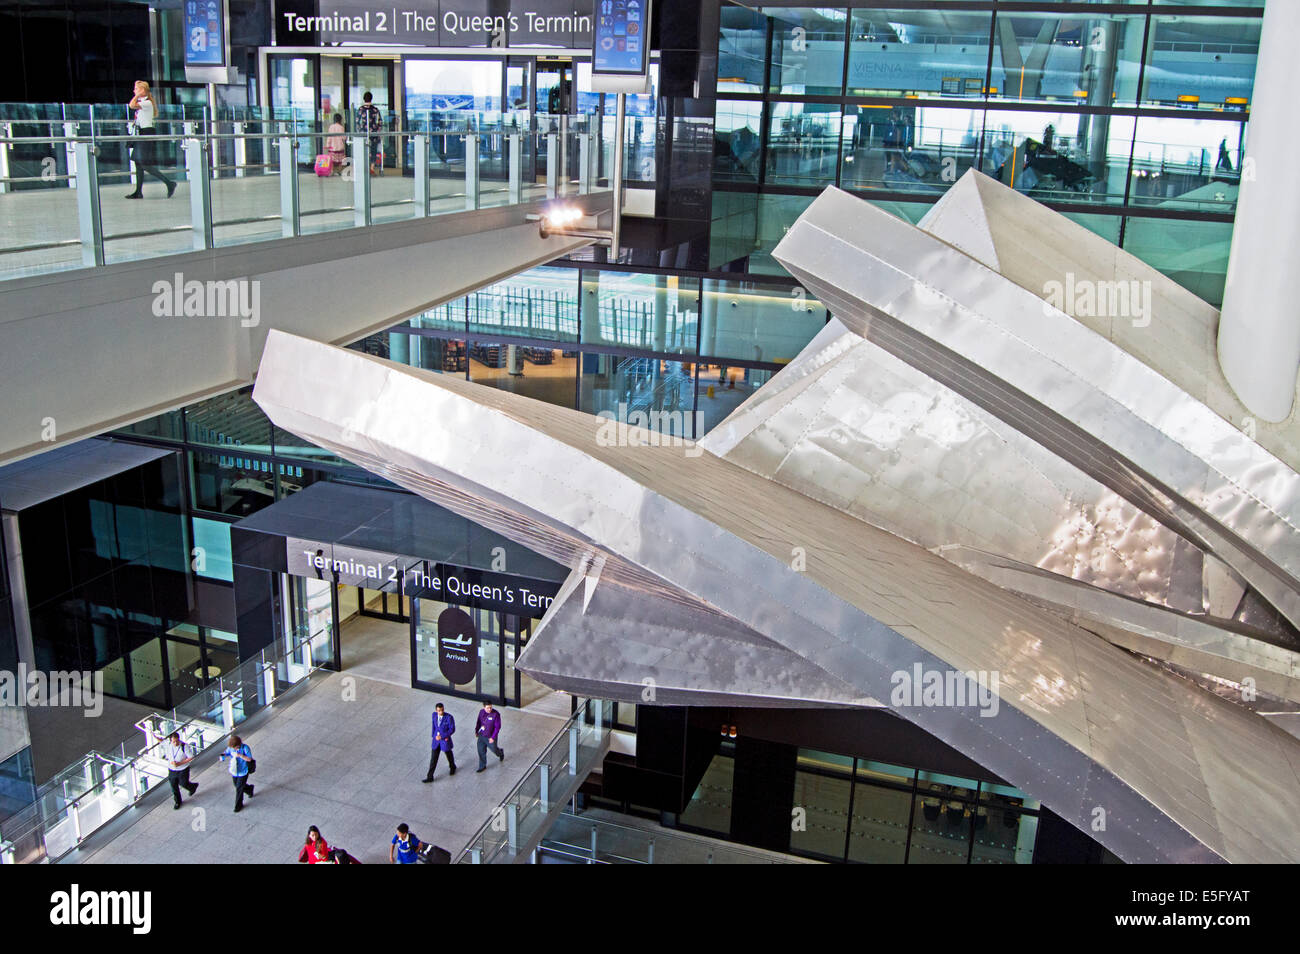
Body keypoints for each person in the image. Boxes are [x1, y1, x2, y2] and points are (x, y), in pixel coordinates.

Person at [125, 80, 175, 199]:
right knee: (138, 163)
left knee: (144, 163)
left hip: (146, 134)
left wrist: (137, 95)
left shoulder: (147, 103)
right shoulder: (143, 102)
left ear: (142, 91)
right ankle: (138, 191)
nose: (134, 91)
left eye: (136, 89)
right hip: (140, 133)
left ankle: (169, 183)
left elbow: (131, 105)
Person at [159, 730, 198, 810]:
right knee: (174, 786)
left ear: (179, 739)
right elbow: (161, 741)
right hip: (172, 769)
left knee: (183, 783)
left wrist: (180, 763)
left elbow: (191, 757)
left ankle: (192, 787)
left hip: (183, 769)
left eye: (177, 741)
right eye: (173, 741)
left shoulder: (184, 746)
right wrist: (154, 736)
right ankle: (178, 801)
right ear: (171, 741)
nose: (175, 743)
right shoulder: (169, 744)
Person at [218, 734, 255, 812]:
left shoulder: (245, 748)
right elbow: (227, 752)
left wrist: (240, 756)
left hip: (243, 771)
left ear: (238, 745)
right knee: (236, 785)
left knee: (239, 788)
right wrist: (223, 755)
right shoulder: (230, 748)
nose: (233, 749)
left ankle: (238, 805)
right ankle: (249, 789)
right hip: (235, 770)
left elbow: (249, 759)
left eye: (234, 747)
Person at [422, 702, 455, 781]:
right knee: (433, 759)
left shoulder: (449, 717)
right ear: (436, 711)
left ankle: (452, 766)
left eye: (442, 710)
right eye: (439, 710)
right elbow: (434, 726)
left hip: (444, 740)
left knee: (448, 754)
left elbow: (452, 729)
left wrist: (443, 736)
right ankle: (430, 776)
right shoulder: (434, 715)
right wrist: (433, 736)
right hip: (436, 741)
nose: (441, 712)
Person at [357, 92, 383, 176]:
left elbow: (357, 122)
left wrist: (360, 131)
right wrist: (377, 130)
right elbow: (380, 122)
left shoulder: (360, 109)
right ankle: (372, 168)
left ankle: (364, 168)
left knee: (364, 150)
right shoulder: (375, 109)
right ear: (371, 99)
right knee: (373, 150)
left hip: (363, 133)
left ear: (364, 99)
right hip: (374, 133)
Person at [475, 702, 504, 772]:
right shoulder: (481, 712)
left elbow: (497, 727)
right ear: (484, 707)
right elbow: (478, 722)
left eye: (491, 707)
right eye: (488, 708)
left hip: (490, 736)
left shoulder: (496, 714)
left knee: (494, 749)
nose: (489, 709)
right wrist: (476, 731)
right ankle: (482, 766)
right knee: (481, 750)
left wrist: (493, 737)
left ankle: (500, 753)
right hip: (481, 735)